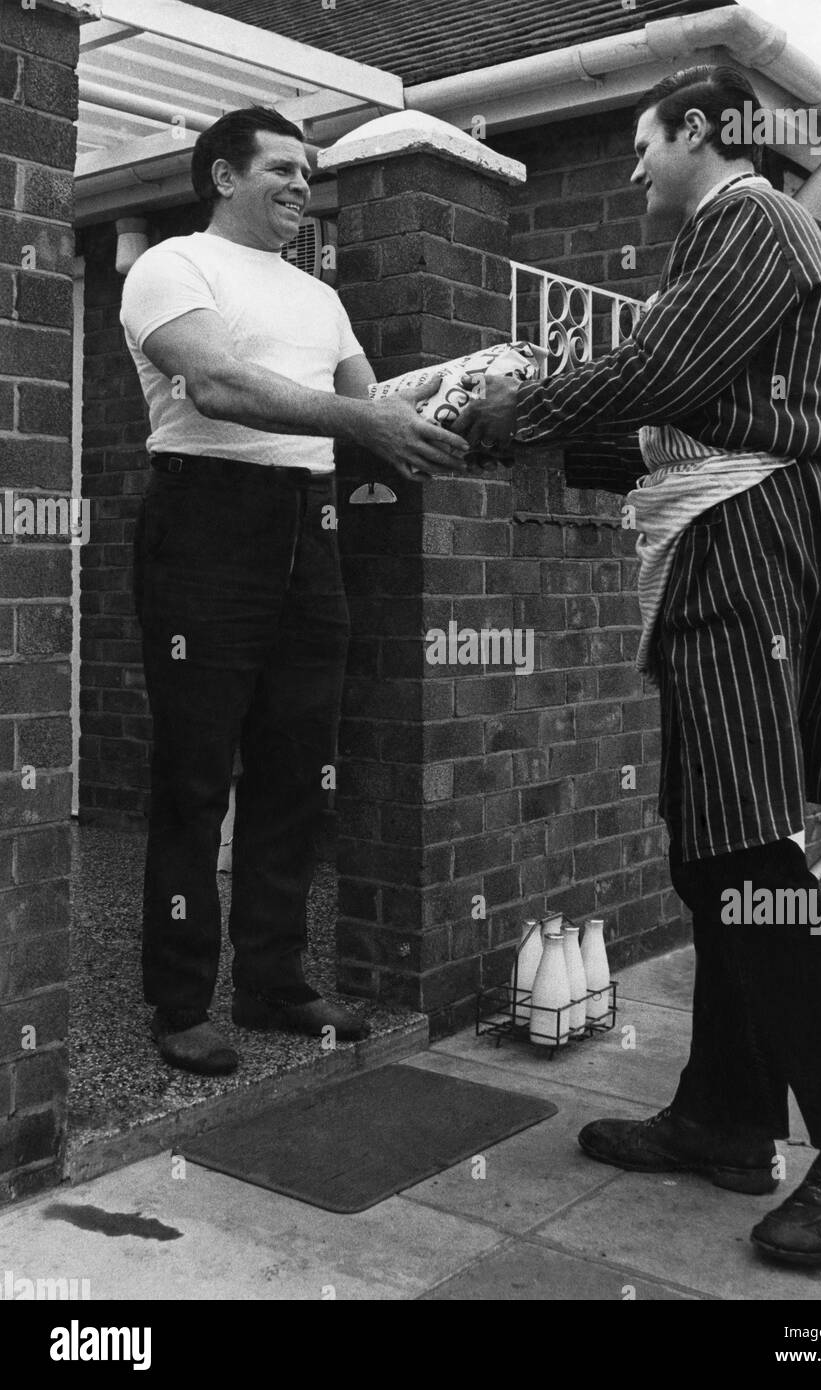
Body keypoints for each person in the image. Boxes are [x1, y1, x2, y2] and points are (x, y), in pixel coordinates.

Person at [455, 66, 821, 1269]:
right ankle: (726, 1115)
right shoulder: (721, 254)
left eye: (642, 143)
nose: (631, 170)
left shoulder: (752, 223)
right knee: (709, 837)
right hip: (729, 535)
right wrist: (501, 425)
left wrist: (533, 406)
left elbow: (659, 383)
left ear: (704, 133)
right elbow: (673, 427)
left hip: (750, 545)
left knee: (742, 843)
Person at [120, 106, 469, 1076]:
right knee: (194, 780)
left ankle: (274, 979)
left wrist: (492, 391)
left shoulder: (320, 298)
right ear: (223, 176)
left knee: (296, 768)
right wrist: (361, 422)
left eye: (309, 175)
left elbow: (381, 403)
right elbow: (220, 388)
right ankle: (180, 1001)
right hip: (204, 523)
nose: (299, 188)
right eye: (279, 169)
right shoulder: (172, 267)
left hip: (309, 534)